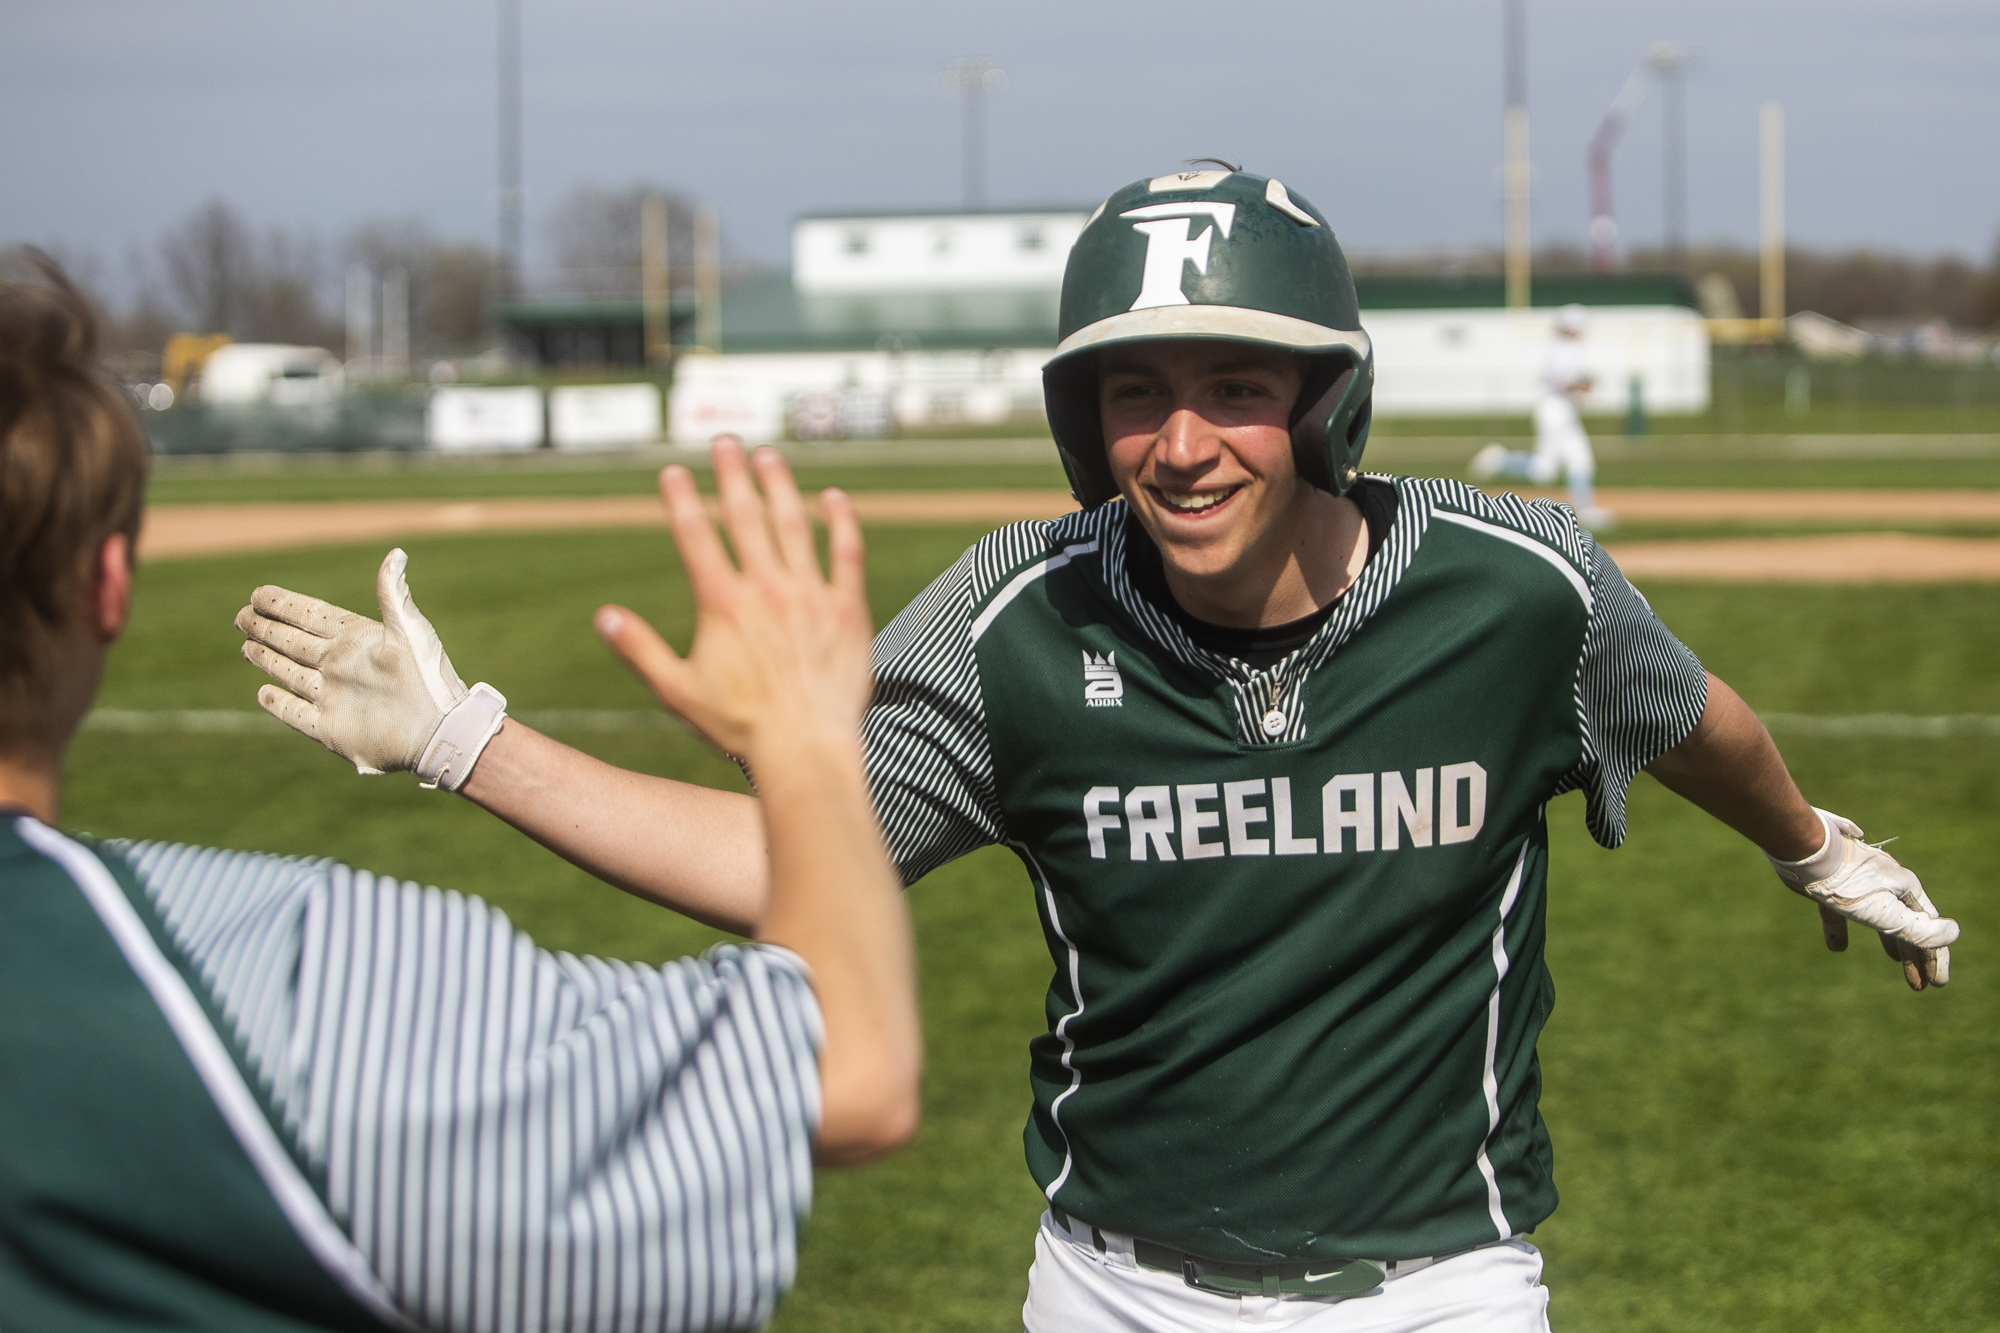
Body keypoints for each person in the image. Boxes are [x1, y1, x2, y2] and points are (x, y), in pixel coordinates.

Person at [239, 170, 1959, 1332]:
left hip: (1439, 1287)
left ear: (1330, 398)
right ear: (1084, 416)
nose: (1186, 440)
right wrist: (466, 738)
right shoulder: (1013, 618)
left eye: (1238, 383)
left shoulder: (1519, 589)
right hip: (1113, 1290)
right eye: (1137, 390)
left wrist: (1807, 839)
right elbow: (792, 862)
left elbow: (1687, 718)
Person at [0, 251, 920, 1333]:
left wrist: (462, 740)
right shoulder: (284, 978)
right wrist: (804, 731)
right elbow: (849, 1072)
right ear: (107, 585)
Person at [1471, 303, 1614, 528]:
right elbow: (1558, 380)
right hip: (1554, 411)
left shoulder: (1566, 348)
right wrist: (1583, 387)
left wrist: (1580, 387)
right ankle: (1500, 460)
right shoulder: (1565, 349)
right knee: (1544, 470)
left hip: (1564, 411)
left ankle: (1585, 510)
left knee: (1581, 459)